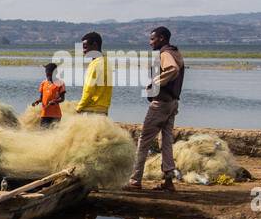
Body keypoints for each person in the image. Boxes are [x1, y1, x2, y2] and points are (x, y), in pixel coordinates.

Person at [125, 26, 185, 192]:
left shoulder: (165, 54)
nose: (150, 42)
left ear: (162, 38)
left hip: (160, 104)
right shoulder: (175, 52)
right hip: (172, 103)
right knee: (166, 142)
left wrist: (155, 82)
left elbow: (173, 69)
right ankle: (168, 181)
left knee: (144, 140)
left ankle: (135, 180)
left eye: (153, 39)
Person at [74, 31, 113, 115]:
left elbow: (89, 89)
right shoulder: (106, 62)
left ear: (95, 45)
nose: (83, 51)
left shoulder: (95, 64)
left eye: (85, 47)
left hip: (90, 111)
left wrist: (79, 107)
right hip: (103, 109)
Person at [31, 62, 66, 127]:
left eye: (49, 74)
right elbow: (41, 98)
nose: (47, 75)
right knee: (42, 132)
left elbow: (62, 99)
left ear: (55, 73)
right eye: (47, 73)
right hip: (45, 113)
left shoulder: (60, 83)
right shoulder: (43, 83)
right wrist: (37, 101)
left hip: (55, 115)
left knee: (54, 133)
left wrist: (54, 101)